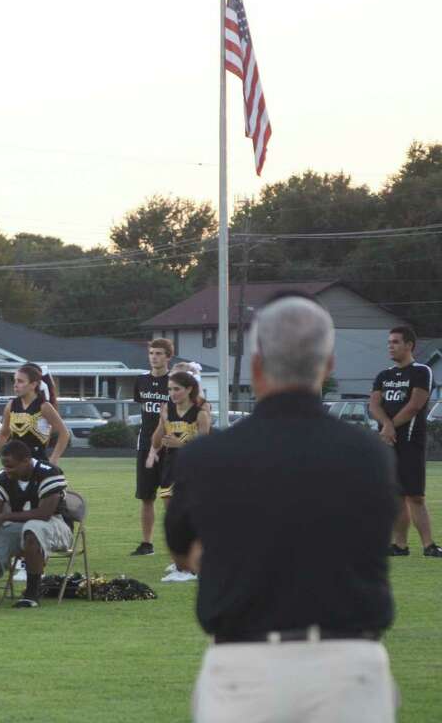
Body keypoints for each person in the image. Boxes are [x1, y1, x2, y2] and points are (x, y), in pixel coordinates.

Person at [165, 294, 399, 723]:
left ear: (256, 366)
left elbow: (183, 551)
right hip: (349, 668)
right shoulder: (369, 455)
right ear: (328, 366)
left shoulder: (206, 457)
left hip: (246, 667)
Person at [369, 325, 441, 558]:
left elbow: (414, 406)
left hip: (410, 442)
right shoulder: (384, 375)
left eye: (396, 342)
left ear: (409, 345)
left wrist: (390, 426)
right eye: (389, 342)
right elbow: (374, 405)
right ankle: (400, 546)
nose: (390, 346)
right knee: (396, 495)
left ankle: (429, 545)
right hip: (387, 442)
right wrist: (386, 427)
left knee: (415, 496)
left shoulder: (421, 372)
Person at [0, 439, 73, 608]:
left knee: (32, 529)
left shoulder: (49, 472)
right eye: (4, 466)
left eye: (11, 466)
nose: (7, 470)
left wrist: (5, 517)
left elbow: (44, 514)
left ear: (26, 461)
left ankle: (32, 592)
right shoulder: (2, 477)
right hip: (20, 524)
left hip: (55, 523)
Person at [148, 367, 211, 583]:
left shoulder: (200, 412)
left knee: (188, 518)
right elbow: (156, 443)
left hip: (192, 469)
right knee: (173, 518)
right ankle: (181, 564)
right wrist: (162, 421)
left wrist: (181, 442)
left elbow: (206, 445)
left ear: (189, 389)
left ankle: (191, 568)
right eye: (170, 389)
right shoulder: (168, 410)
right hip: (170, 466)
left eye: (177, 389)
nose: (173, 393)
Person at [131, 338, 173, 556]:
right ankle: (146, 544)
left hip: (170, 447)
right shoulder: (141, 381)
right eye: (152, 353)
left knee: (170, 497)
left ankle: (176, 546)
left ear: (168, 356)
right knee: (147, 496)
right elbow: (144, 407)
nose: (154, 357)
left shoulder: (175, 382)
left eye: (159, 353)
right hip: (146, 444)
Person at [0, 363, 68, 467]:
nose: (15, 385)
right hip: (14, 464)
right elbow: (4, 434)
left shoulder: (44, 406)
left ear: (33, 384)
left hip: (37, 463)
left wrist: (54, 458)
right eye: (14, 380)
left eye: (20, 381)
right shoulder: (11, 405)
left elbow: (64, 433)